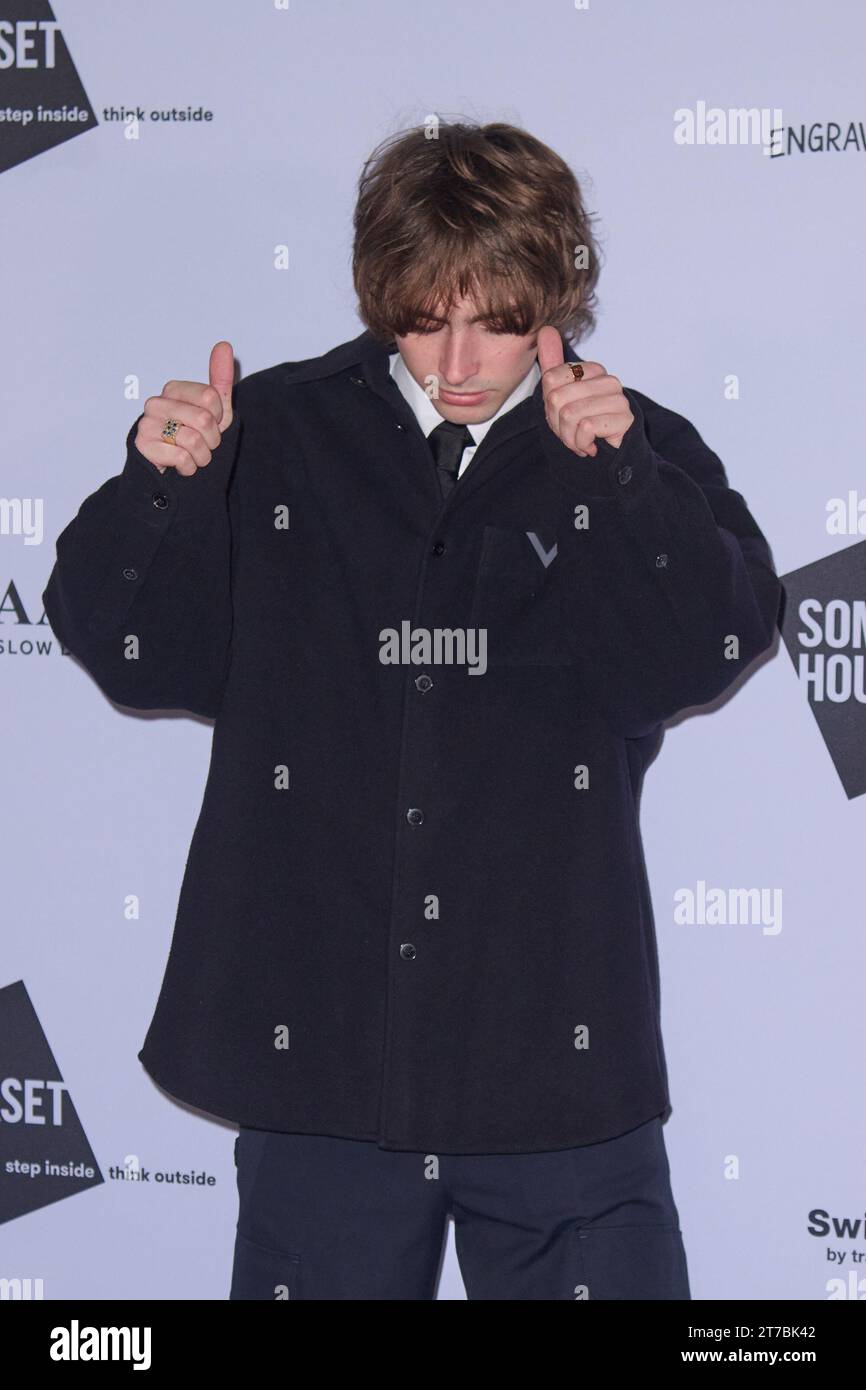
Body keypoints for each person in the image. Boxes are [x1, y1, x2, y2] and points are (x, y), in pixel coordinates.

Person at [42, 120, 782, 1300]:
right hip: (322, 1053)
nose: (451, 359)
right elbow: (131, 657)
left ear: (550, 302)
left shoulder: (625, 442)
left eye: (489, 319)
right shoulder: (271, 434)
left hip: (552, 1049)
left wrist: (623, 488)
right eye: (421, 315)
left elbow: (699, 656)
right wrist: (159, 493)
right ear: (377, 293)